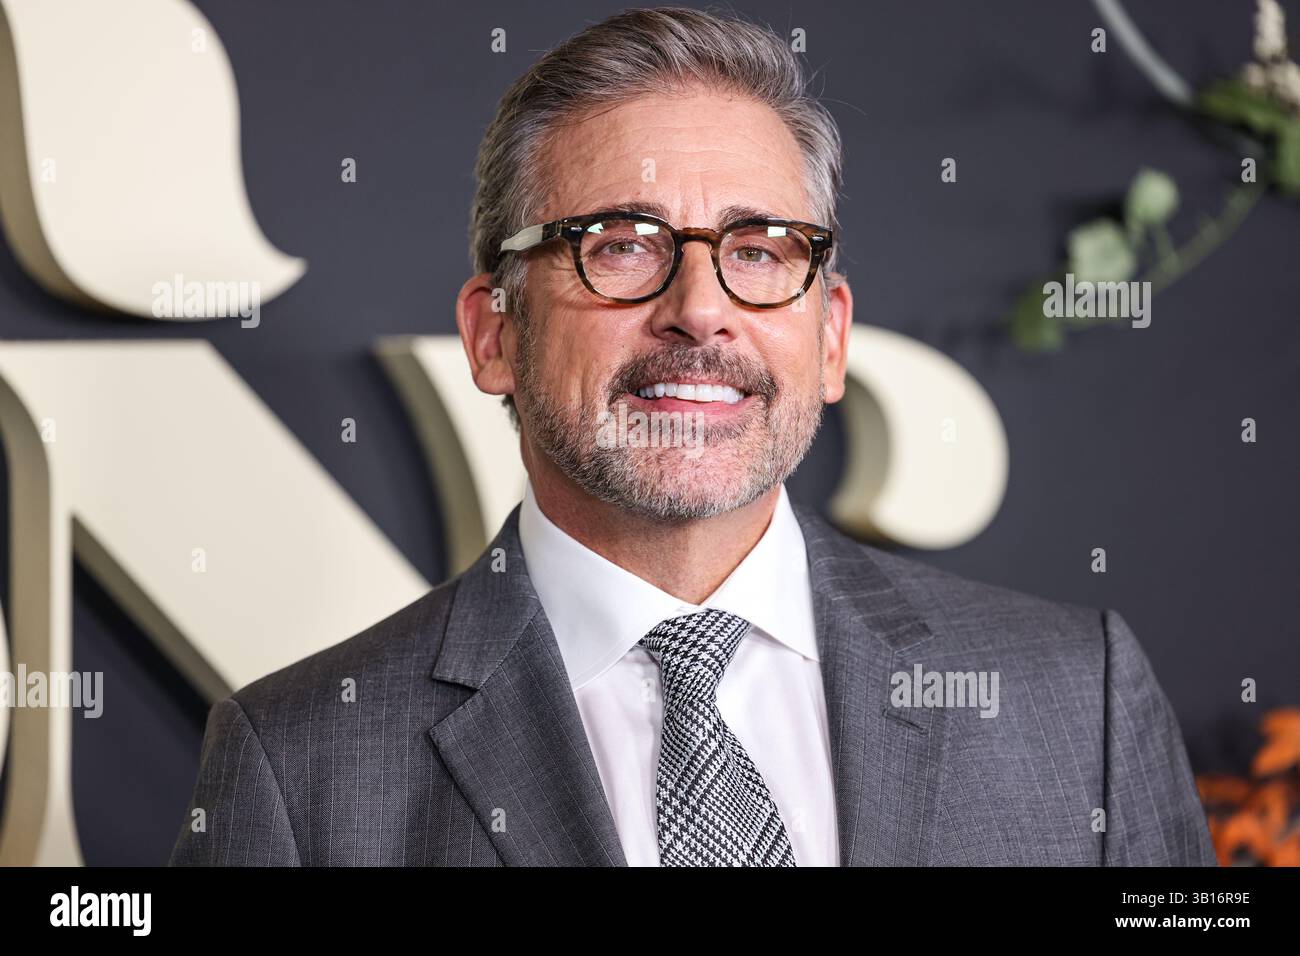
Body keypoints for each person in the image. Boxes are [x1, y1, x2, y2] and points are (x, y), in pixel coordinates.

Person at [170, 6, 1215, 866]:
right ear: (494, 334)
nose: (701, 309)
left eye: (760, 250)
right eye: (619, 244)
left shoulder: (1080, 700)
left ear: (830, 334)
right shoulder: (299, 769)